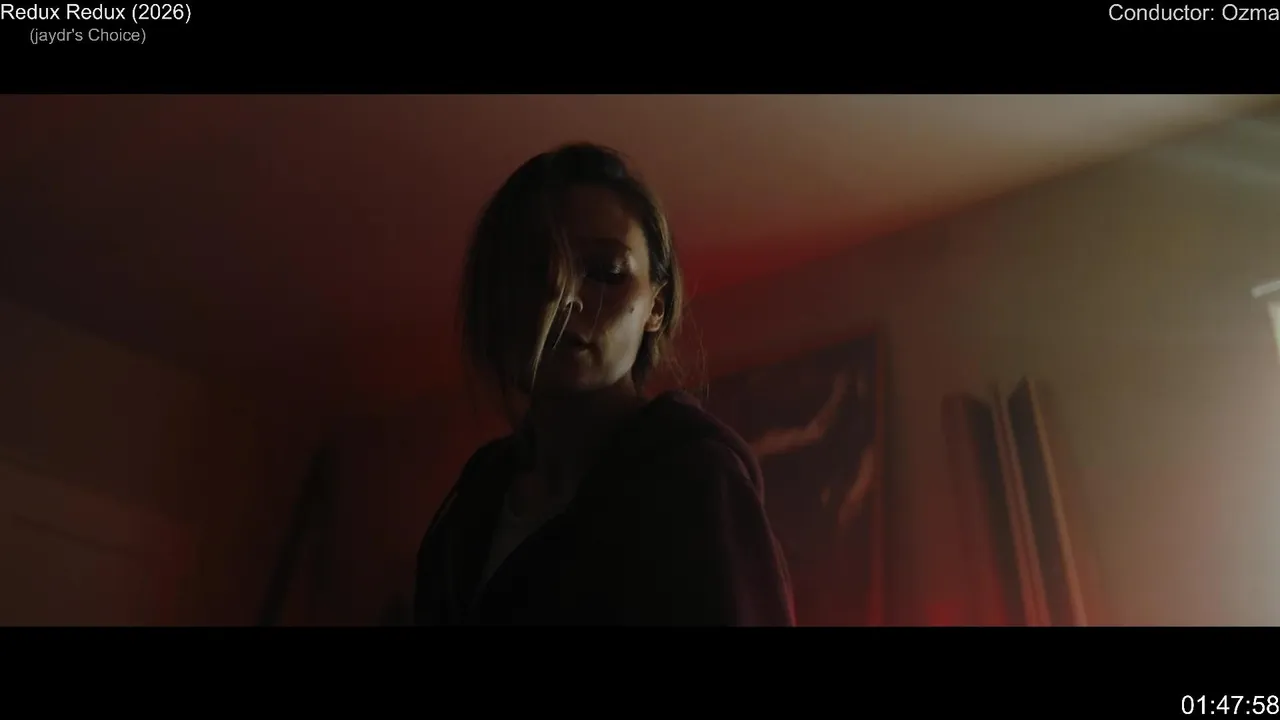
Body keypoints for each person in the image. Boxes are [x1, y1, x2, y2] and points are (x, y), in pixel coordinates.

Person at [413, 142, 795, 626]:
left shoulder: (692, 481)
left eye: (607, 273)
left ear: (656, 307)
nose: (565, 298)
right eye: (536, 271)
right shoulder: (474, 504)